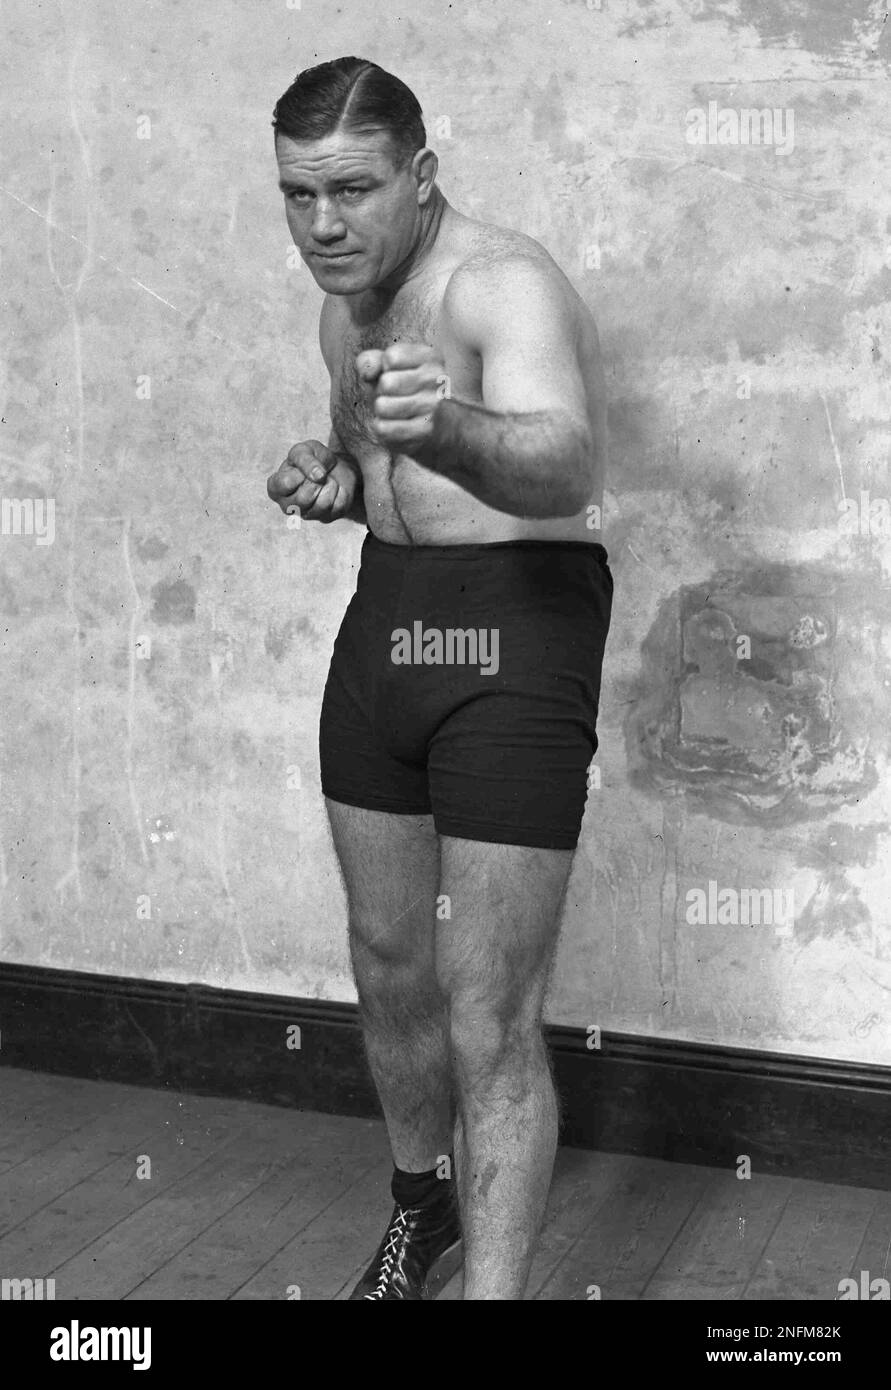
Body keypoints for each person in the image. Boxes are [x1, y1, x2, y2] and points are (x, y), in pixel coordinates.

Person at [266, 56, 613, 1300]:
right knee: (386, 960)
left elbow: (567, 465)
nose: (324, 226)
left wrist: (450, 429)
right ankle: (423, 1206)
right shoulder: (342, 308)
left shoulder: (500, 285)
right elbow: (385, 478)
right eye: (299, 195)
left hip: (517, 632)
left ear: (422, 175)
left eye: (352, 191)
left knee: (487, 1008)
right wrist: (334, 479)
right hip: (391, 619)